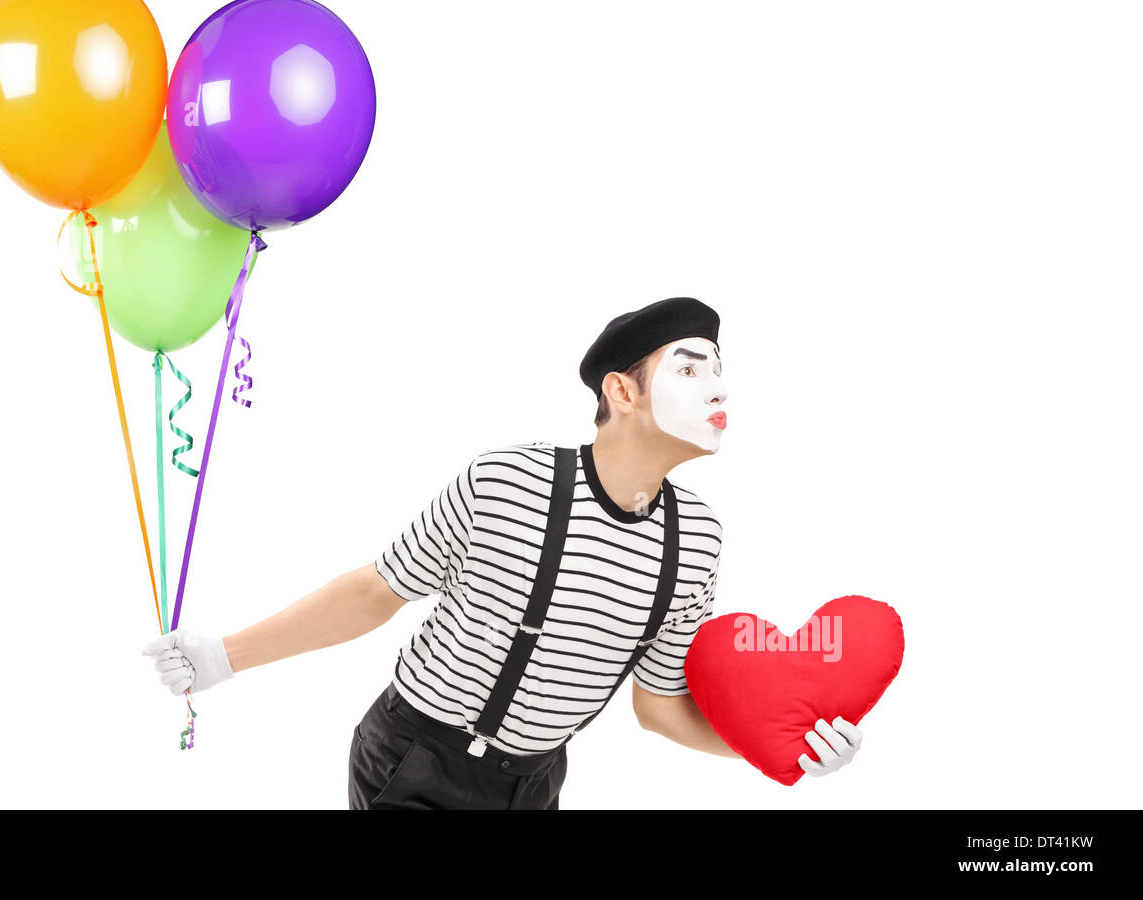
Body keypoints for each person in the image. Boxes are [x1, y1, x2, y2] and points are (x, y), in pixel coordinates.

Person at [143, 297, 865, 809]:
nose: (720, 387)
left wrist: (780, 750)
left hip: (535, 785)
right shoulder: (508, 480)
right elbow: (375, 591)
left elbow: (657, 707)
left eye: (718, 369)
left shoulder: (697, 541)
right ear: (621, 391)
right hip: (414, 764)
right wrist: (223, 657)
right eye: (689, 368)